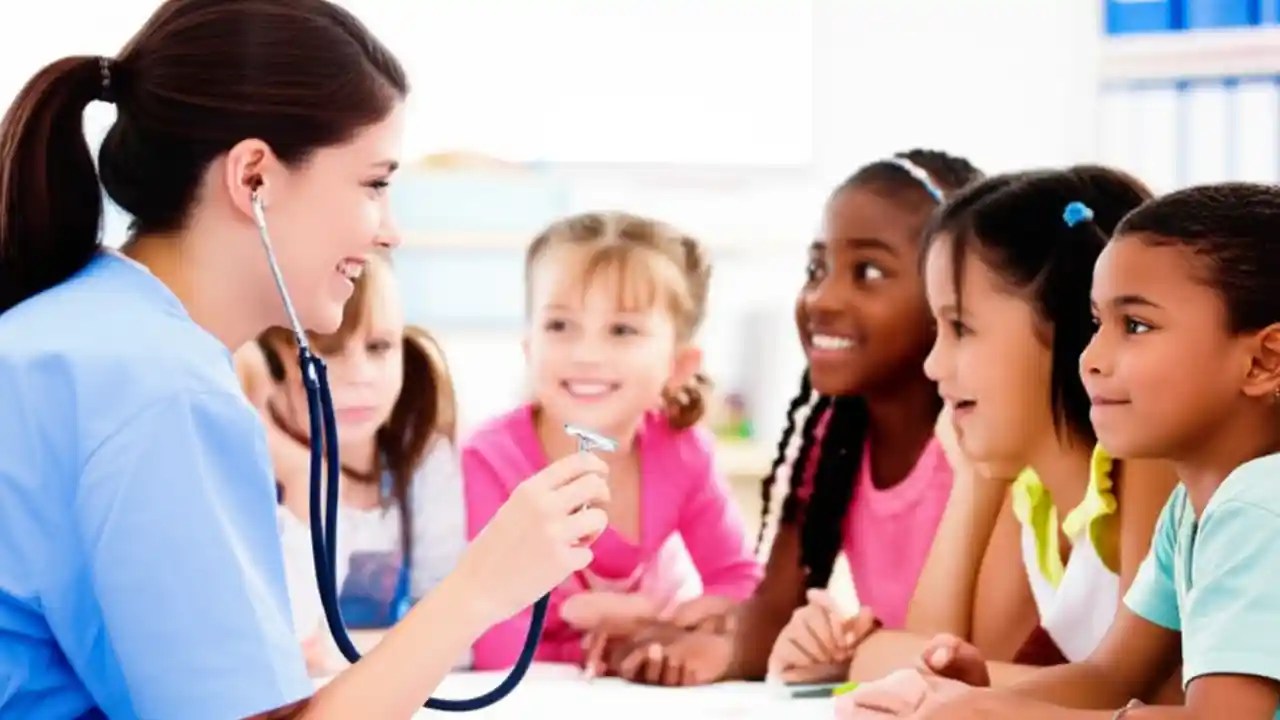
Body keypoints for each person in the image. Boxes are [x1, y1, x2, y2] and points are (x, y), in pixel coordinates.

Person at [0, 2, 608, 718]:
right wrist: (484, 586)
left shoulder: (75, 333)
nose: (392, 232)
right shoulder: (158, 390)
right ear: (254, 177)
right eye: (375, 185)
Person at [877, 182, 1280, 720]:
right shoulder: (1189, 511)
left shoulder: (1258, 506)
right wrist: (968, 703)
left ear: (1262, 362)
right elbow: (1109, 675)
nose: (1090, 357)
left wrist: (998, 717)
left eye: (1136, 325)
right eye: (1097, 323)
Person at [605, 150, 992, 686]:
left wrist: (854, 654)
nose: (823, 297)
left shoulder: (986, 447)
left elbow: (972, 663)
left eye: (870, 272)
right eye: (816, 268)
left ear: (955, 295)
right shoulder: (833, 442)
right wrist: (709, 648)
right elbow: (771, 621)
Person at [837, 168, 1190, 719]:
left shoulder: (1152, 462)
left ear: (1070, 324)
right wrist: (977, 474)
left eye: (960, 328)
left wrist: (909, 670)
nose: (933, 365)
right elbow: (946, 657)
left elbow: (1141, 692)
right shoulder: (1033, 493)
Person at [461, 210, 763, 673]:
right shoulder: (490, 462)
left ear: (679, 364)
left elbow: (736, 583)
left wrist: (689, 630)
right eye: (560, 326)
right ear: (529, 346)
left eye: (622, 330)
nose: (586, 354)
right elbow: (491, 642)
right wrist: (591, 641)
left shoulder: (683, 451)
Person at [236, 254, 471, 675]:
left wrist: (341, 653)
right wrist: (300, 473)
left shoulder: (422, 459)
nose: (360, 374)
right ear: (269, 362)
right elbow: (276, 637)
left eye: (380, 347)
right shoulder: (248, 475)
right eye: (326, 351)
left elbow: (458, 636)